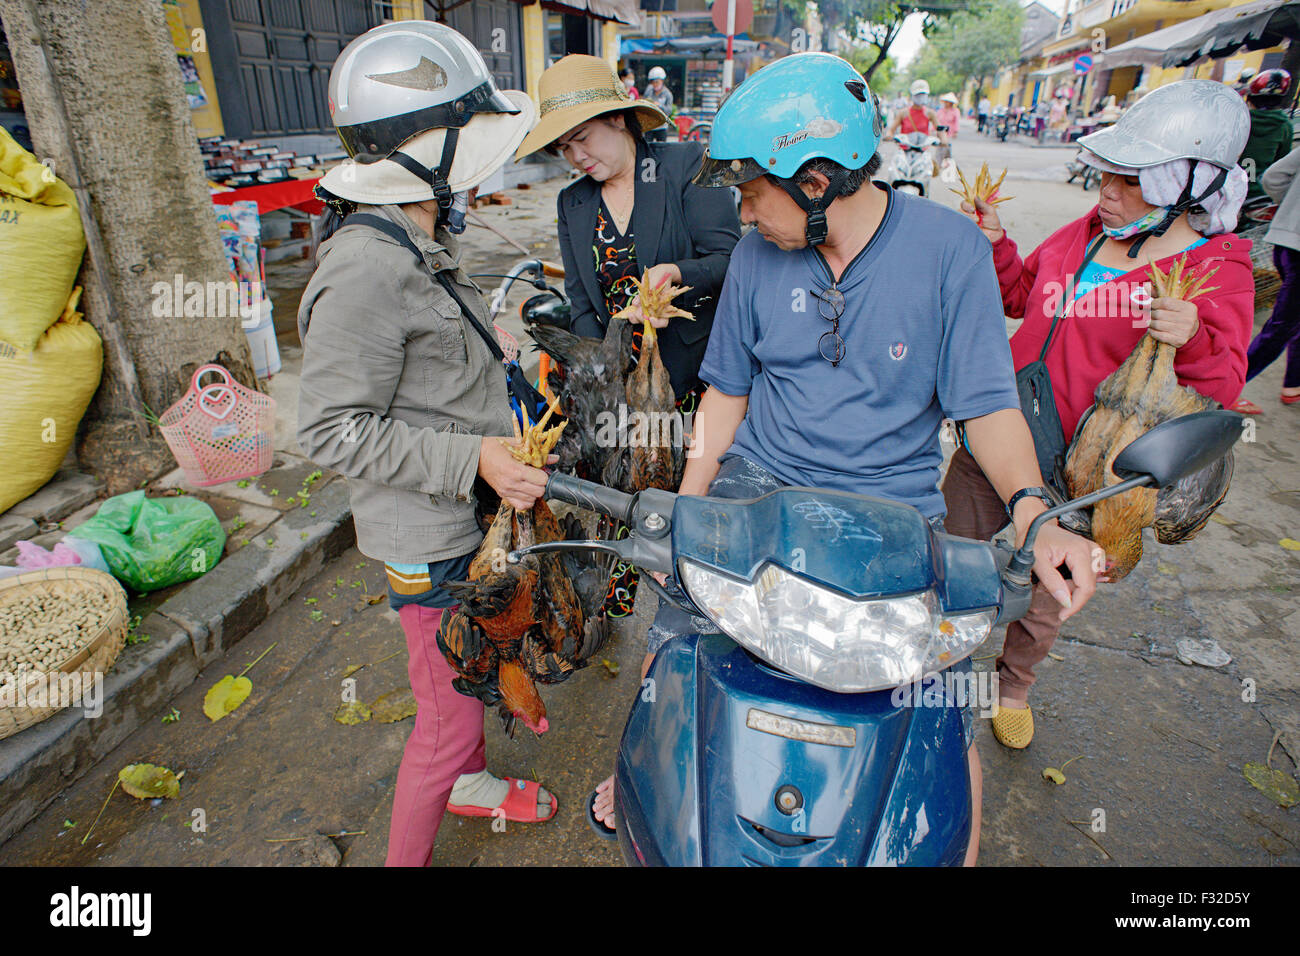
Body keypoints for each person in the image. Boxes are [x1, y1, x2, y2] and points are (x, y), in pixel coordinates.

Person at [589, 51, 1102, 865]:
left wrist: (1036, 516)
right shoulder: (759, 258)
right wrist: (685, 514)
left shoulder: (952, 251)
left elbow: (986, 409)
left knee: (939, 710)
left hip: (894, 510)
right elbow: (726, 392)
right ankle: (651, 762)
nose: (745, 214)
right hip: (758, 484)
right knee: (675, 642)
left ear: (817, 184)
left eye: (754, 194)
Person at [296, 21, 558, 867]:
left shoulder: (420, 236)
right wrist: (473, 458)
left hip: (465, 525)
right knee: (444, 723)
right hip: (427, 540)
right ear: (415, 151)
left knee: (472, 676)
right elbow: (330, 429)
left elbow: (435, 377)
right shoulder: (364, 267)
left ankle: (476, 785)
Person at [949, 79, 1254, 749]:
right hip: (1001, 429)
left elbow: (1225, 383)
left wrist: (1193, 334)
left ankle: (1015, 686)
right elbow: (1021, 293)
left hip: (1088, 469)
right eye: (1106, 176)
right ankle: (937, 666)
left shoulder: (1216, 270)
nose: (1106, 194)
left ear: (1185, 187)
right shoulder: (1086, 233)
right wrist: (998, 244)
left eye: (1130, 180)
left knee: (1049, 586)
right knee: (950, 554)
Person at [513, 54, 741, 618]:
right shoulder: (574, 202)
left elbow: (732, 258)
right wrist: (599, 372)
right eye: (563, 148)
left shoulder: (686, 165)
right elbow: (585, 304)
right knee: (623, 490)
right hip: (617, 382)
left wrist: (677, 276)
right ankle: (617, 602)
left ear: (619, 119)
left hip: (689, 375)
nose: (576, 156)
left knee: (687, 492)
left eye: (583, 138)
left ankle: (697, 600)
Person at [1234, 144, 1300, 413]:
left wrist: (1291, 212)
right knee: (1281, 325)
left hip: (1285, 240)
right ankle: (1228, 387)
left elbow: (1274, 176)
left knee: (1290, 321)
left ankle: (1293, 384)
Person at [1240, 69, 1293, 203]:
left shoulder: (1239, 119)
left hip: (1226, 189)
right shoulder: (1284, 125)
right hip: (1260, 194)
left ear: (1250, 99)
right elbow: (1281, 161)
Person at [643, 65, 674, 141]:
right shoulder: (648, 92)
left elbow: (669, 110)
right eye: (653, 82)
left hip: (661, 127)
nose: (655, 84)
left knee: (661, 148)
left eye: (657, 82)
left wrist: (660, 105)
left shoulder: (667, 94)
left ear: (662, 81)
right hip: (649, 126)